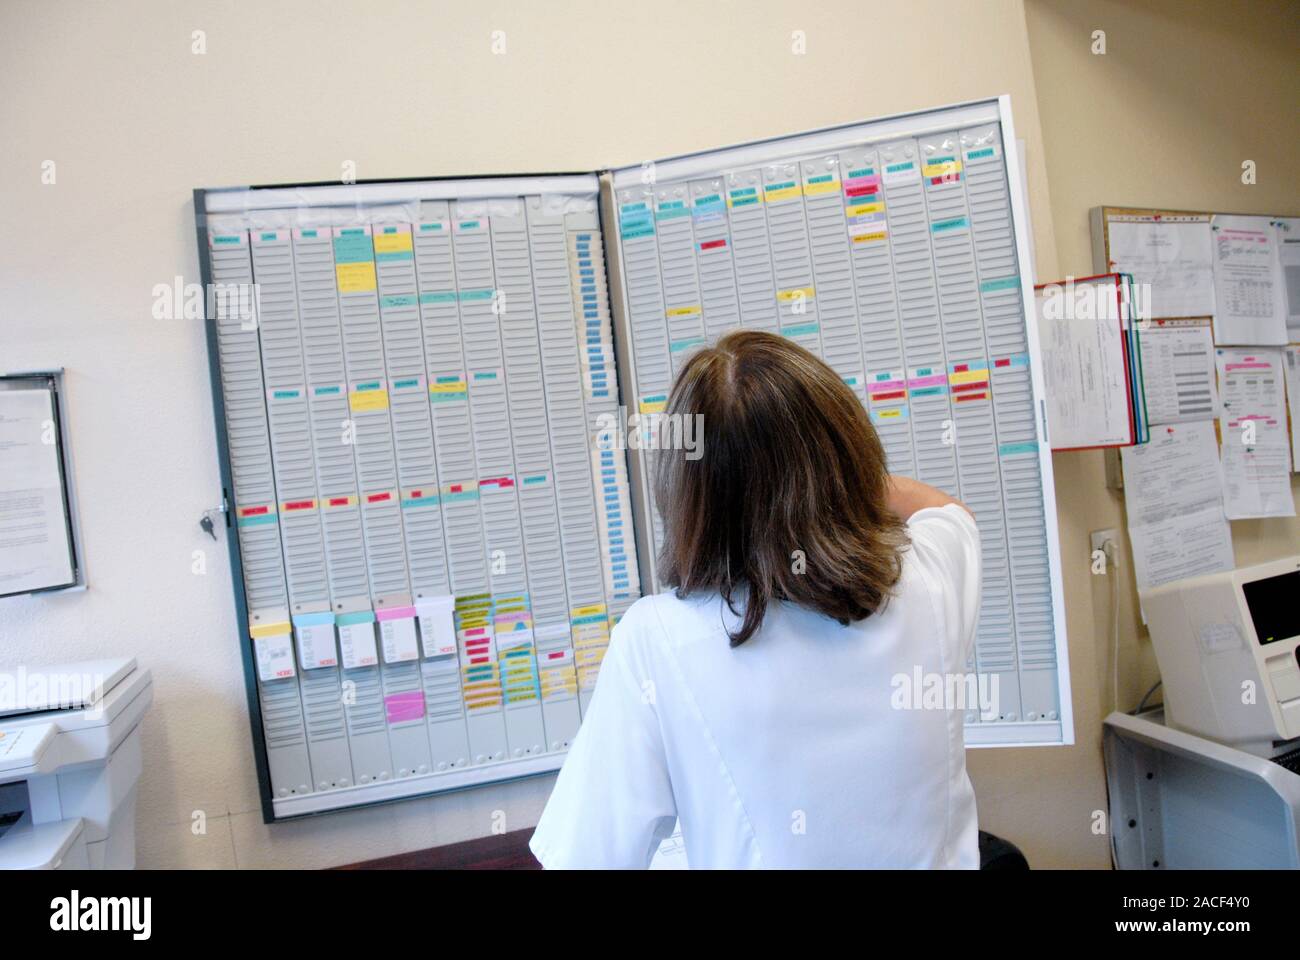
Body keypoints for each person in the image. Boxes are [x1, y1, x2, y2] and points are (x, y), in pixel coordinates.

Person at [529, 330, 981, 869]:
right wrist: (834, 478)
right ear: (850, 451)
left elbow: (586, 858)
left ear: (689, 491)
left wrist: (761, 477)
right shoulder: (931, 574)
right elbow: (945, 511)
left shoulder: (657, 639)